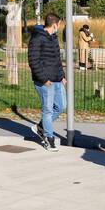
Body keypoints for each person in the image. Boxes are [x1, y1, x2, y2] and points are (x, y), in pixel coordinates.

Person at [27, 13, 65, 149]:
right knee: (47, 111)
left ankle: (41, 127)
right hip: (44, 82)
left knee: (61, 106)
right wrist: (44, 79)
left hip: (57, 79)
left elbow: (57, 59)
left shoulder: (53, 38)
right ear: (54, 24)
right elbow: (33, 61)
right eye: (59, 24)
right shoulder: (37, 38)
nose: (59, 27)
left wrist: (62, 76)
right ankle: (49, 138)